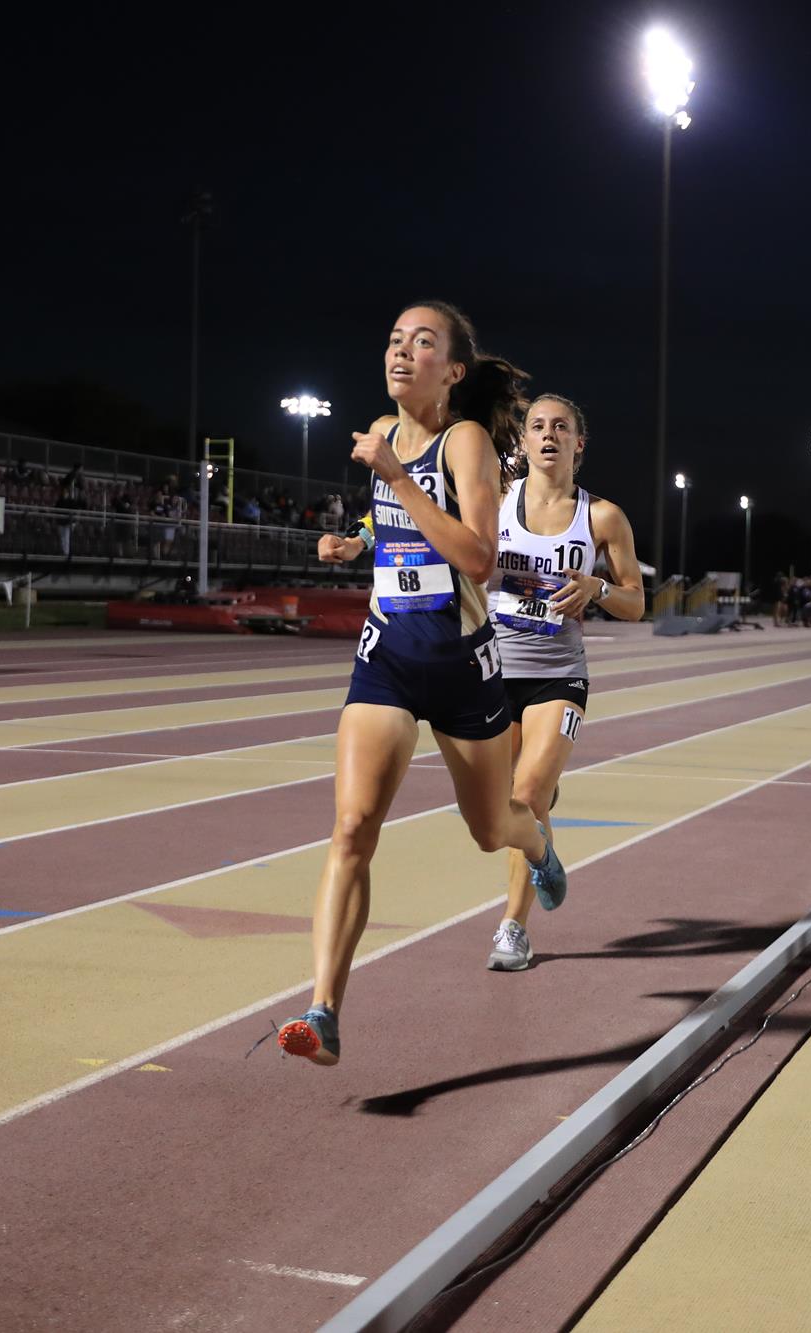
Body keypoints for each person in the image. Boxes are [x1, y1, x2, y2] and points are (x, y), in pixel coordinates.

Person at [280, 301, 564, 1066]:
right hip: (388, 659)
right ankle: (324, 1011)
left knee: (489, 829)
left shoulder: (464, 443)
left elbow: (477, 557)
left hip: (463, 667)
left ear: (454, 370)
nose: (402, 352)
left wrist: (399, 477)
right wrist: (358, 541)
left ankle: (536, 842)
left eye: (423, 342)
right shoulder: (385, 433)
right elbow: (396, 524)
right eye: (395, 340)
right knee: (351, 828)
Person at [479, 392, 643, 971]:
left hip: (558, 676)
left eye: (561, 427)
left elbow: (635, 603)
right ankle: (543, 841)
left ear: (579, 443)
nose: (548, 435)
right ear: (522, 442)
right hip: (492, 670)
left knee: (525, 796)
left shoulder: (601, 516)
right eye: (537, 426)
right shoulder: (494, 499)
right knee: (507, 810)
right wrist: (361, 539)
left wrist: (597, 589)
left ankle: (512, 929)